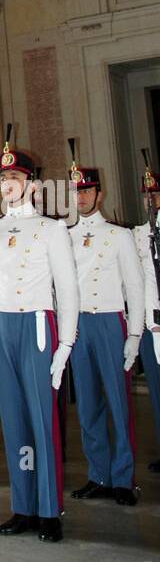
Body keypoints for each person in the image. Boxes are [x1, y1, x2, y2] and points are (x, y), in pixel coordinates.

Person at [0, 131, 78, 543]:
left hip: (34, 326)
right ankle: (23, 505)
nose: (7, 185)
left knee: (42, 420)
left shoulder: (51, 229)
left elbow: (67, 290)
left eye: (14, 177)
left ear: (31, 184)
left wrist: (65, 345)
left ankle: (49, 509)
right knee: (12, 421)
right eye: (2, 178)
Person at [65, 147, 143, 506]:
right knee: (88, 405)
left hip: (111, 321)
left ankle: (123, 478)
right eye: (76, 191)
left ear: (99, 193)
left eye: (86, 191)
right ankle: (98, 473)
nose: (80, 197)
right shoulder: (63, 236)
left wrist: (135, 334)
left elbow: (135, 287)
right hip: (79, 325)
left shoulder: (119, 236)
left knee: (118, 402)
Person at [132, 152, 160, 473]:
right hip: (150, 324)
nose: (150, 200)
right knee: (155, 388)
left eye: (154, 194)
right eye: (146, 196)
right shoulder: (139, 234)